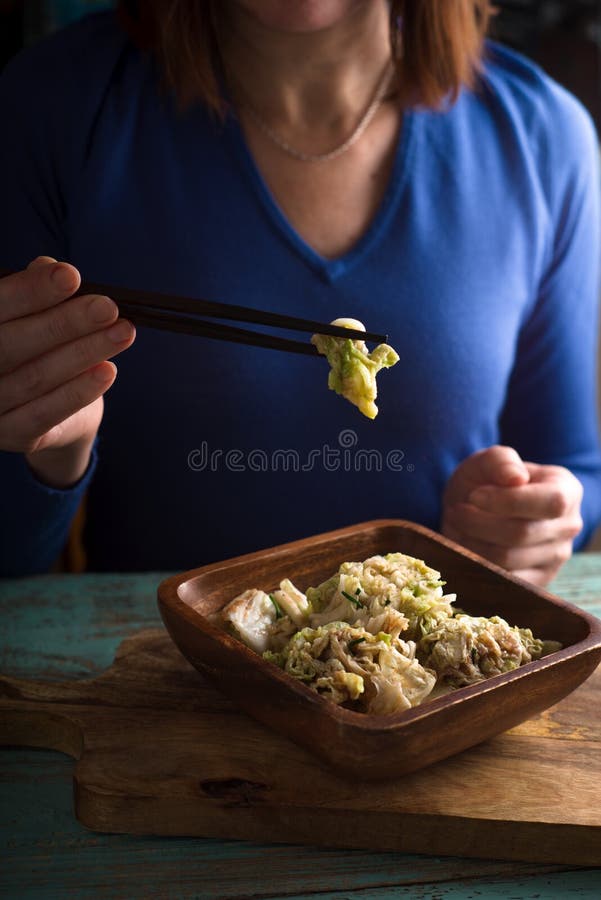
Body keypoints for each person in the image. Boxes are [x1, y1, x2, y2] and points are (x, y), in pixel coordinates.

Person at [0, 0, 599, 585]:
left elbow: (576, 472)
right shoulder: (53, 107)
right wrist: (51, 452)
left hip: (435, 675)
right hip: (151, 667)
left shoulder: (544, 136)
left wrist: (534, 519)